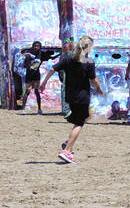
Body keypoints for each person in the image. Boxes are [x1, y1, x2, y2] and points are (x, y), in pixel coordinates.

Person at [43, 36, 103, 164]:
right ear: (89, 47)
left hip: (70, 96)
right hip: (82, 96)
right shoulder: (89, 61)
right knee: (79, 123)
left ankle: (67, 143)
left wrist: (43, 83)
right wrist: (100, 89)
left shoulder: (68, 59)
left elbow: (53, 69)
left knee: (81, 119)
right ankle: (67, 151)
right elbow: (93, 79)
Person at [19, 41, 47, 113]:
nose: (36, 47)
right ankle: (23, 109)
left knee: (37, 92)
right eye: (35, 46)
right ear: (32, 47)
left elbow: (50, 57)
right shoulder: (29, 55)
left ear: (40, 47)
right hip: (29, 76)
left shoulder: (41, 54)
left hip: (36, 75)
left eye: (38, 46)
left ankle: (39, 109)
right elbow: (25, 66)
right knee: (27, 91)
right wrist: (28, 59)